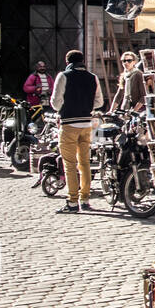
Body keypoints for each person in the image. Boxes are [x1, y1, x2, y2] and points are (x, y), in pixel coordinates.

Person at [50, 49, 103, 213]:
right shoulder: (92, 77)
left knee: (70, 164)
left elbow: (56, 101)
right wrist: (85, 107)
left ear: (68, 62)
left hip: (69, 124)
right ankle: (85, 199)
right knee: (85, 163)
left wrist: (64, 109)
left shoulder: (63, 76)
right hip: (86, 124)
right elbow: (99, 101)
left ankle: (72, 201)